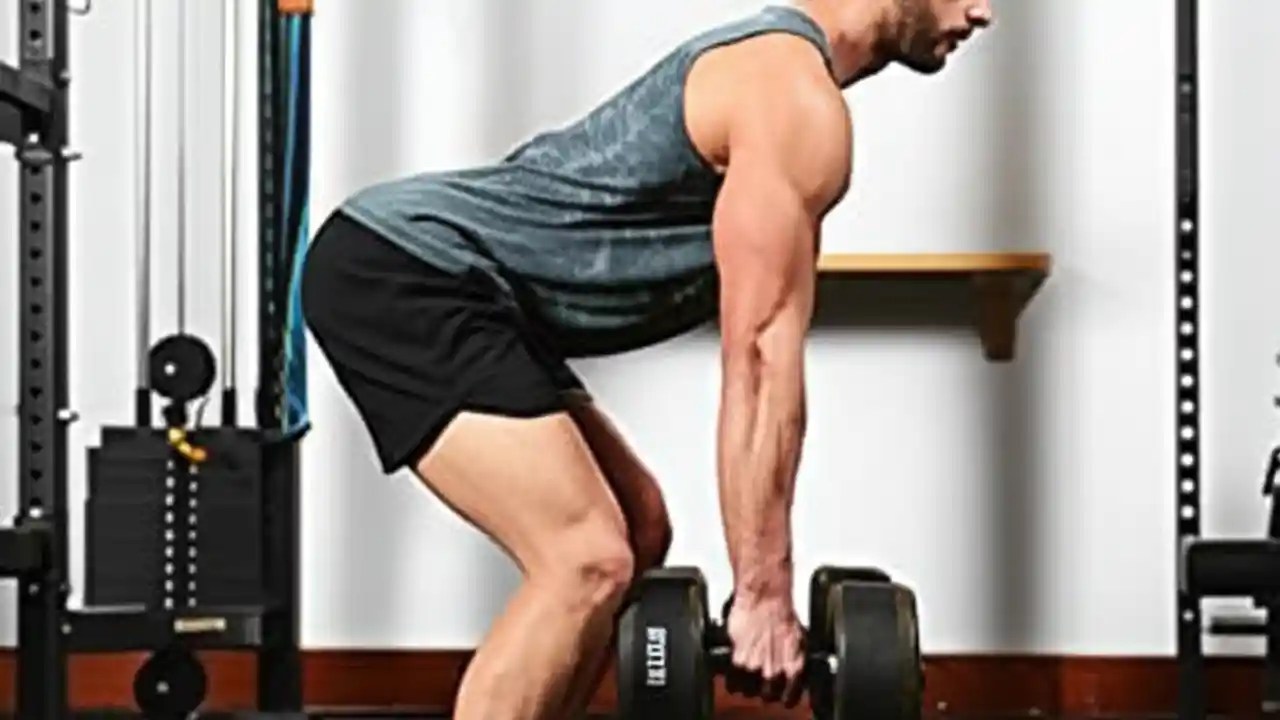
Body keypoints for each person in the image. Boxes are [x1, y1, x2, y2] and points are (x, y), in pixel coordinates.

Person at [300, 0, 992, 718]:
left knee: (637, 527)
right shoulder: (788, 94)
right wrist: (761, 595)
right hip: (407, 272)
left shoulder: (780, 79)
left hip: (470, 289)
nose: (982, 12)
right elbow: (758, 357)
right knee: (584, 561)